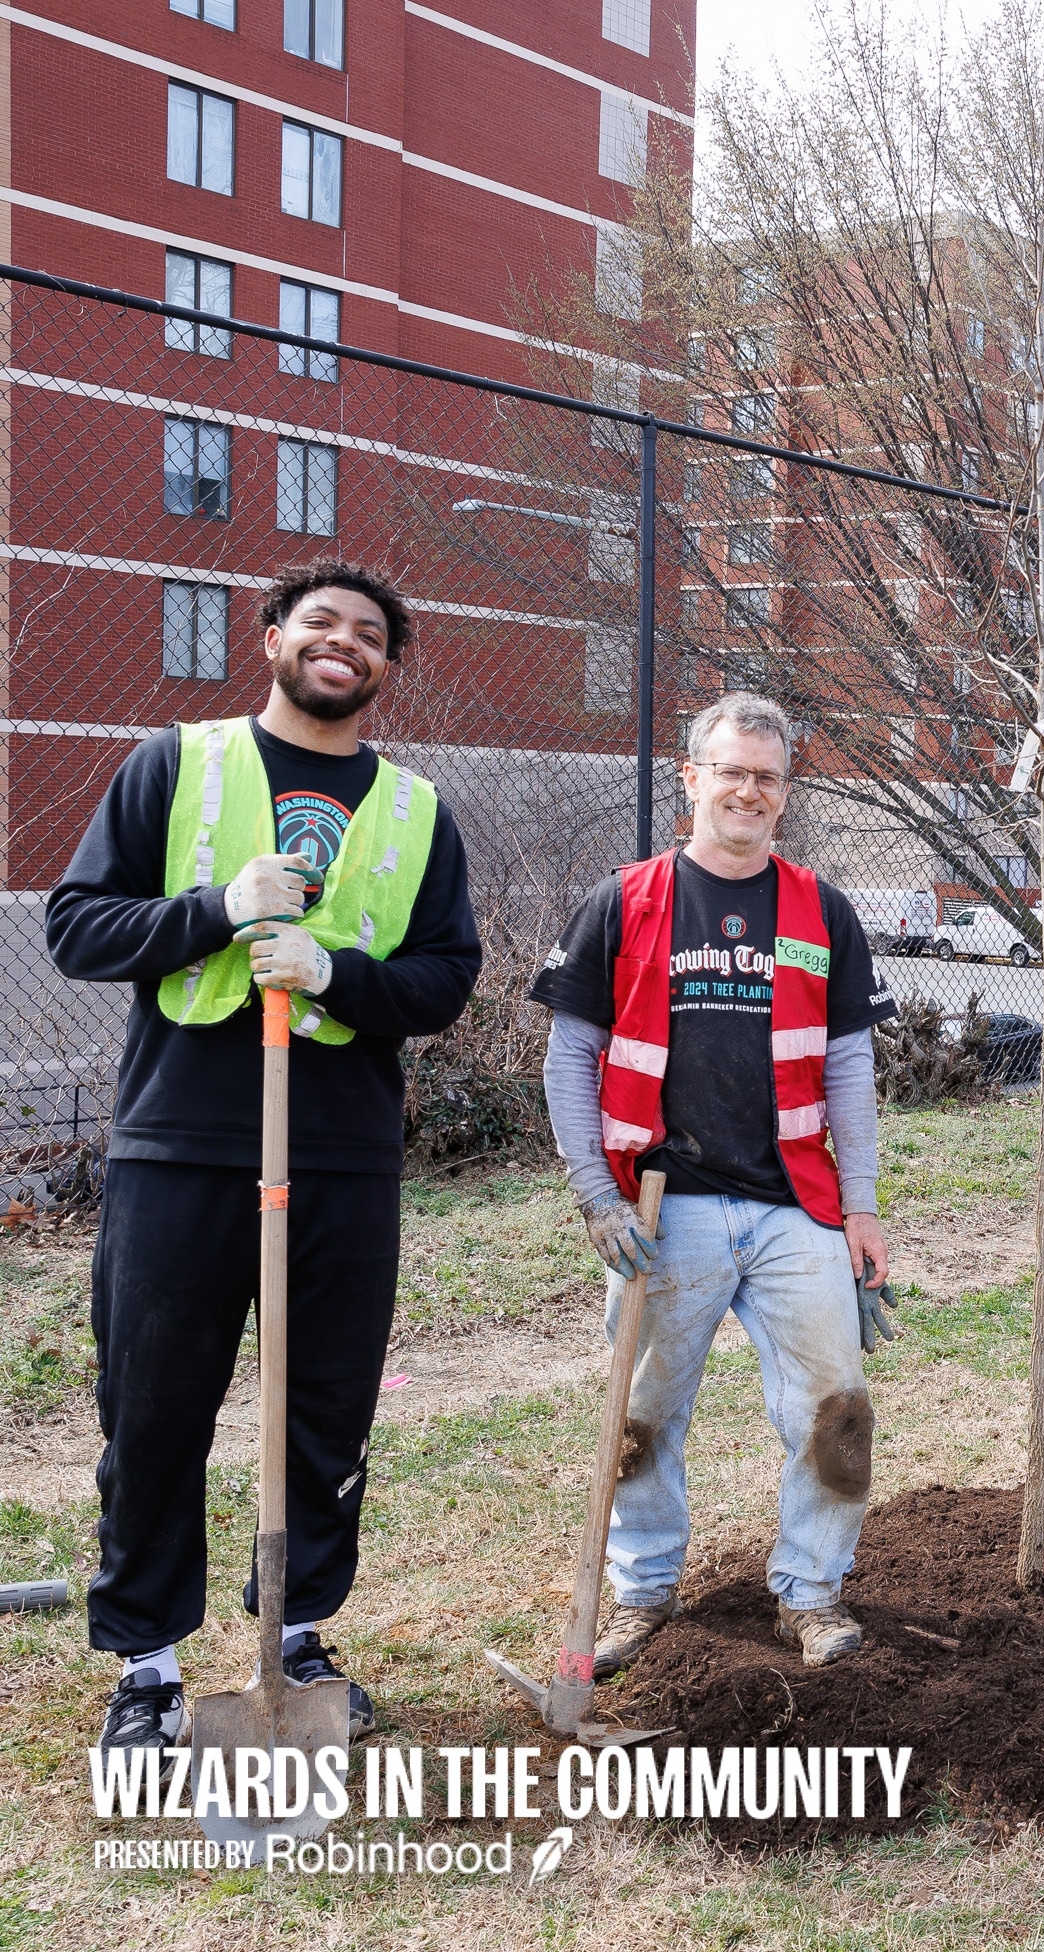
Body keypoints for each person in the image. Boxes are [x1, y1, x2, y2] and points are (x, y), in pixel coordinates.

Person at [47, 562, 481, 1751]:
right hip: (180, 1142)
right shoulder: (177, 764)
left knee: (326, 1409)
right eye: (323, 623)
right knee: (154, 1405)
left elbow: (447, 973)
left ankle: (295, 1632)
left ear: (389, 667)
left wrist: (339, 974)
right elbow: (77, 927)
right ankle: (146, 1660)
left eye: (372, 635)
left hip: (341, 1150)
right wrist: (214, 907)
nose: (345, 644)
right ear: (275, 636)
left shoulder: (413, 807)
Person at [530, 691, 899, 1673]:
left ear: (785, 792)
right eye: (729, 770)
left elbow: (849, 1065)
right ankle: (642, 1593)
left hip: (796, 1207)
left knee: (837, 1410)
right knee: (641, 1414)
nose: (747, 790)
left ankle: (813, 1591)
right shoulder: (625, 901)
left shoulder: (819, 910)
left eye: (767, 776)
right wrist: (593, 1194)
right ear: (689, 777)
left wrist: (858, 1204)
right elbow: (571, 1056)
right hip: (663, 1205)